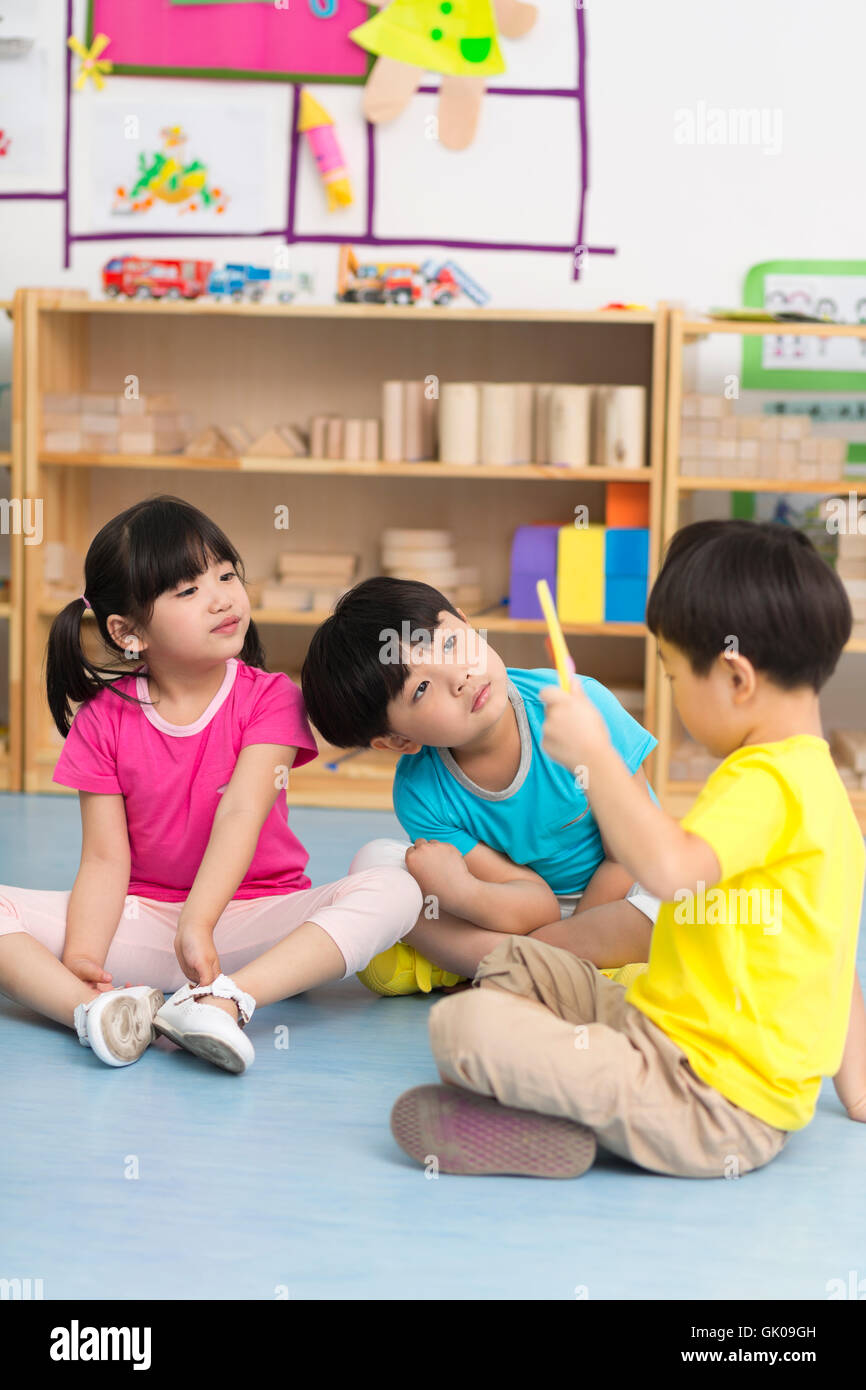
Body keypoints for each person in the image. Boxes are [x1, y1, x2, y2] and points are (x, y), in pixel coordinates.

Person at [390, 520, 866, 1177]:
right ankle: (561, 1105)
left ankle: (558, 1113)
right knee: (524, 964)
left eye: (672, 676)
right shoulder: (818, 786)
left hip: (713, 1105)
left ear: (736, 678)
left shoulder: (766, 785)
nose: (671, 696)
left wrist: (595, 755)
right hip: (664, 1032)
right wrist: (859, 1090)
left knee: (460, 1030)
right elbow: (835, 956)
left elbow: (669, 871)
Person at [0, 495, 421, 1074]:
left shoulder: (271, 697)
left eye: (226, 575)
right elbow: (103, 860)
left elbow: (241, 813)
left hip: (255, 923)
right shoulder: (102, 719)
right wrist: (82, 958)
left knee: (396, 891)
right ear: (128, 631)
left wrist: (199, 926)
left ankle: (226, 1000)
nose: (223, 597)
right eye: (189, 590)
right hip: (143, 924)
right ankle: (96, 1012)